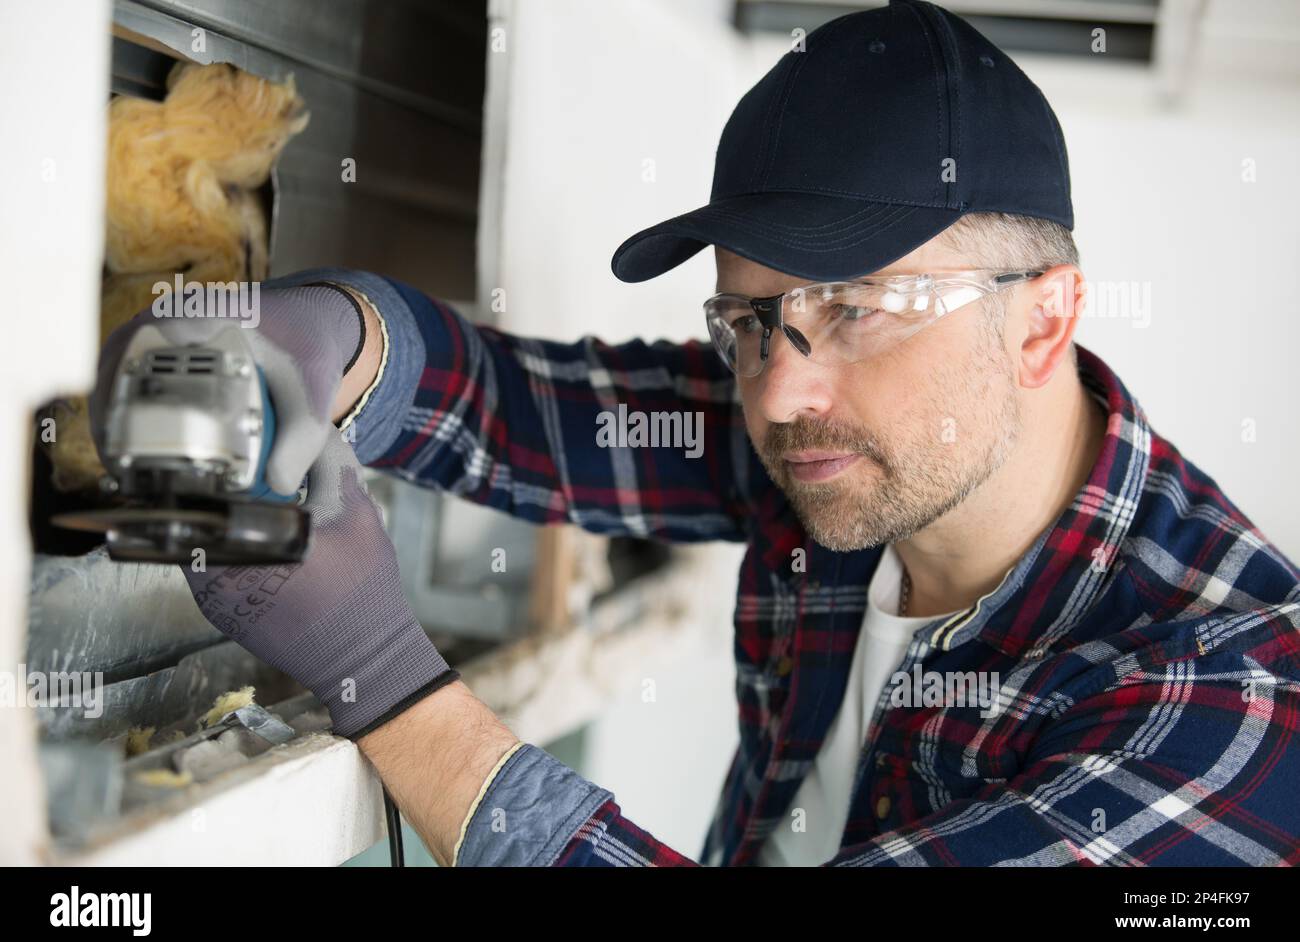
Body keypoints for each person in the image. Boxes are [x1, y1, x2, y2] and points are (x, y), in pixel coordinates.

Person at [92, 1, 1300, 866]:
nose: (775, 393)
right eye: (748, 319)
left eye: (854, 309)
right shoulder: (850, 452)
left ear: (1043, 320)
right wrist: (314, 339)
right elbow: (519, 410)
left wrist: (383, 673)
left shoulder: (1229, 706)